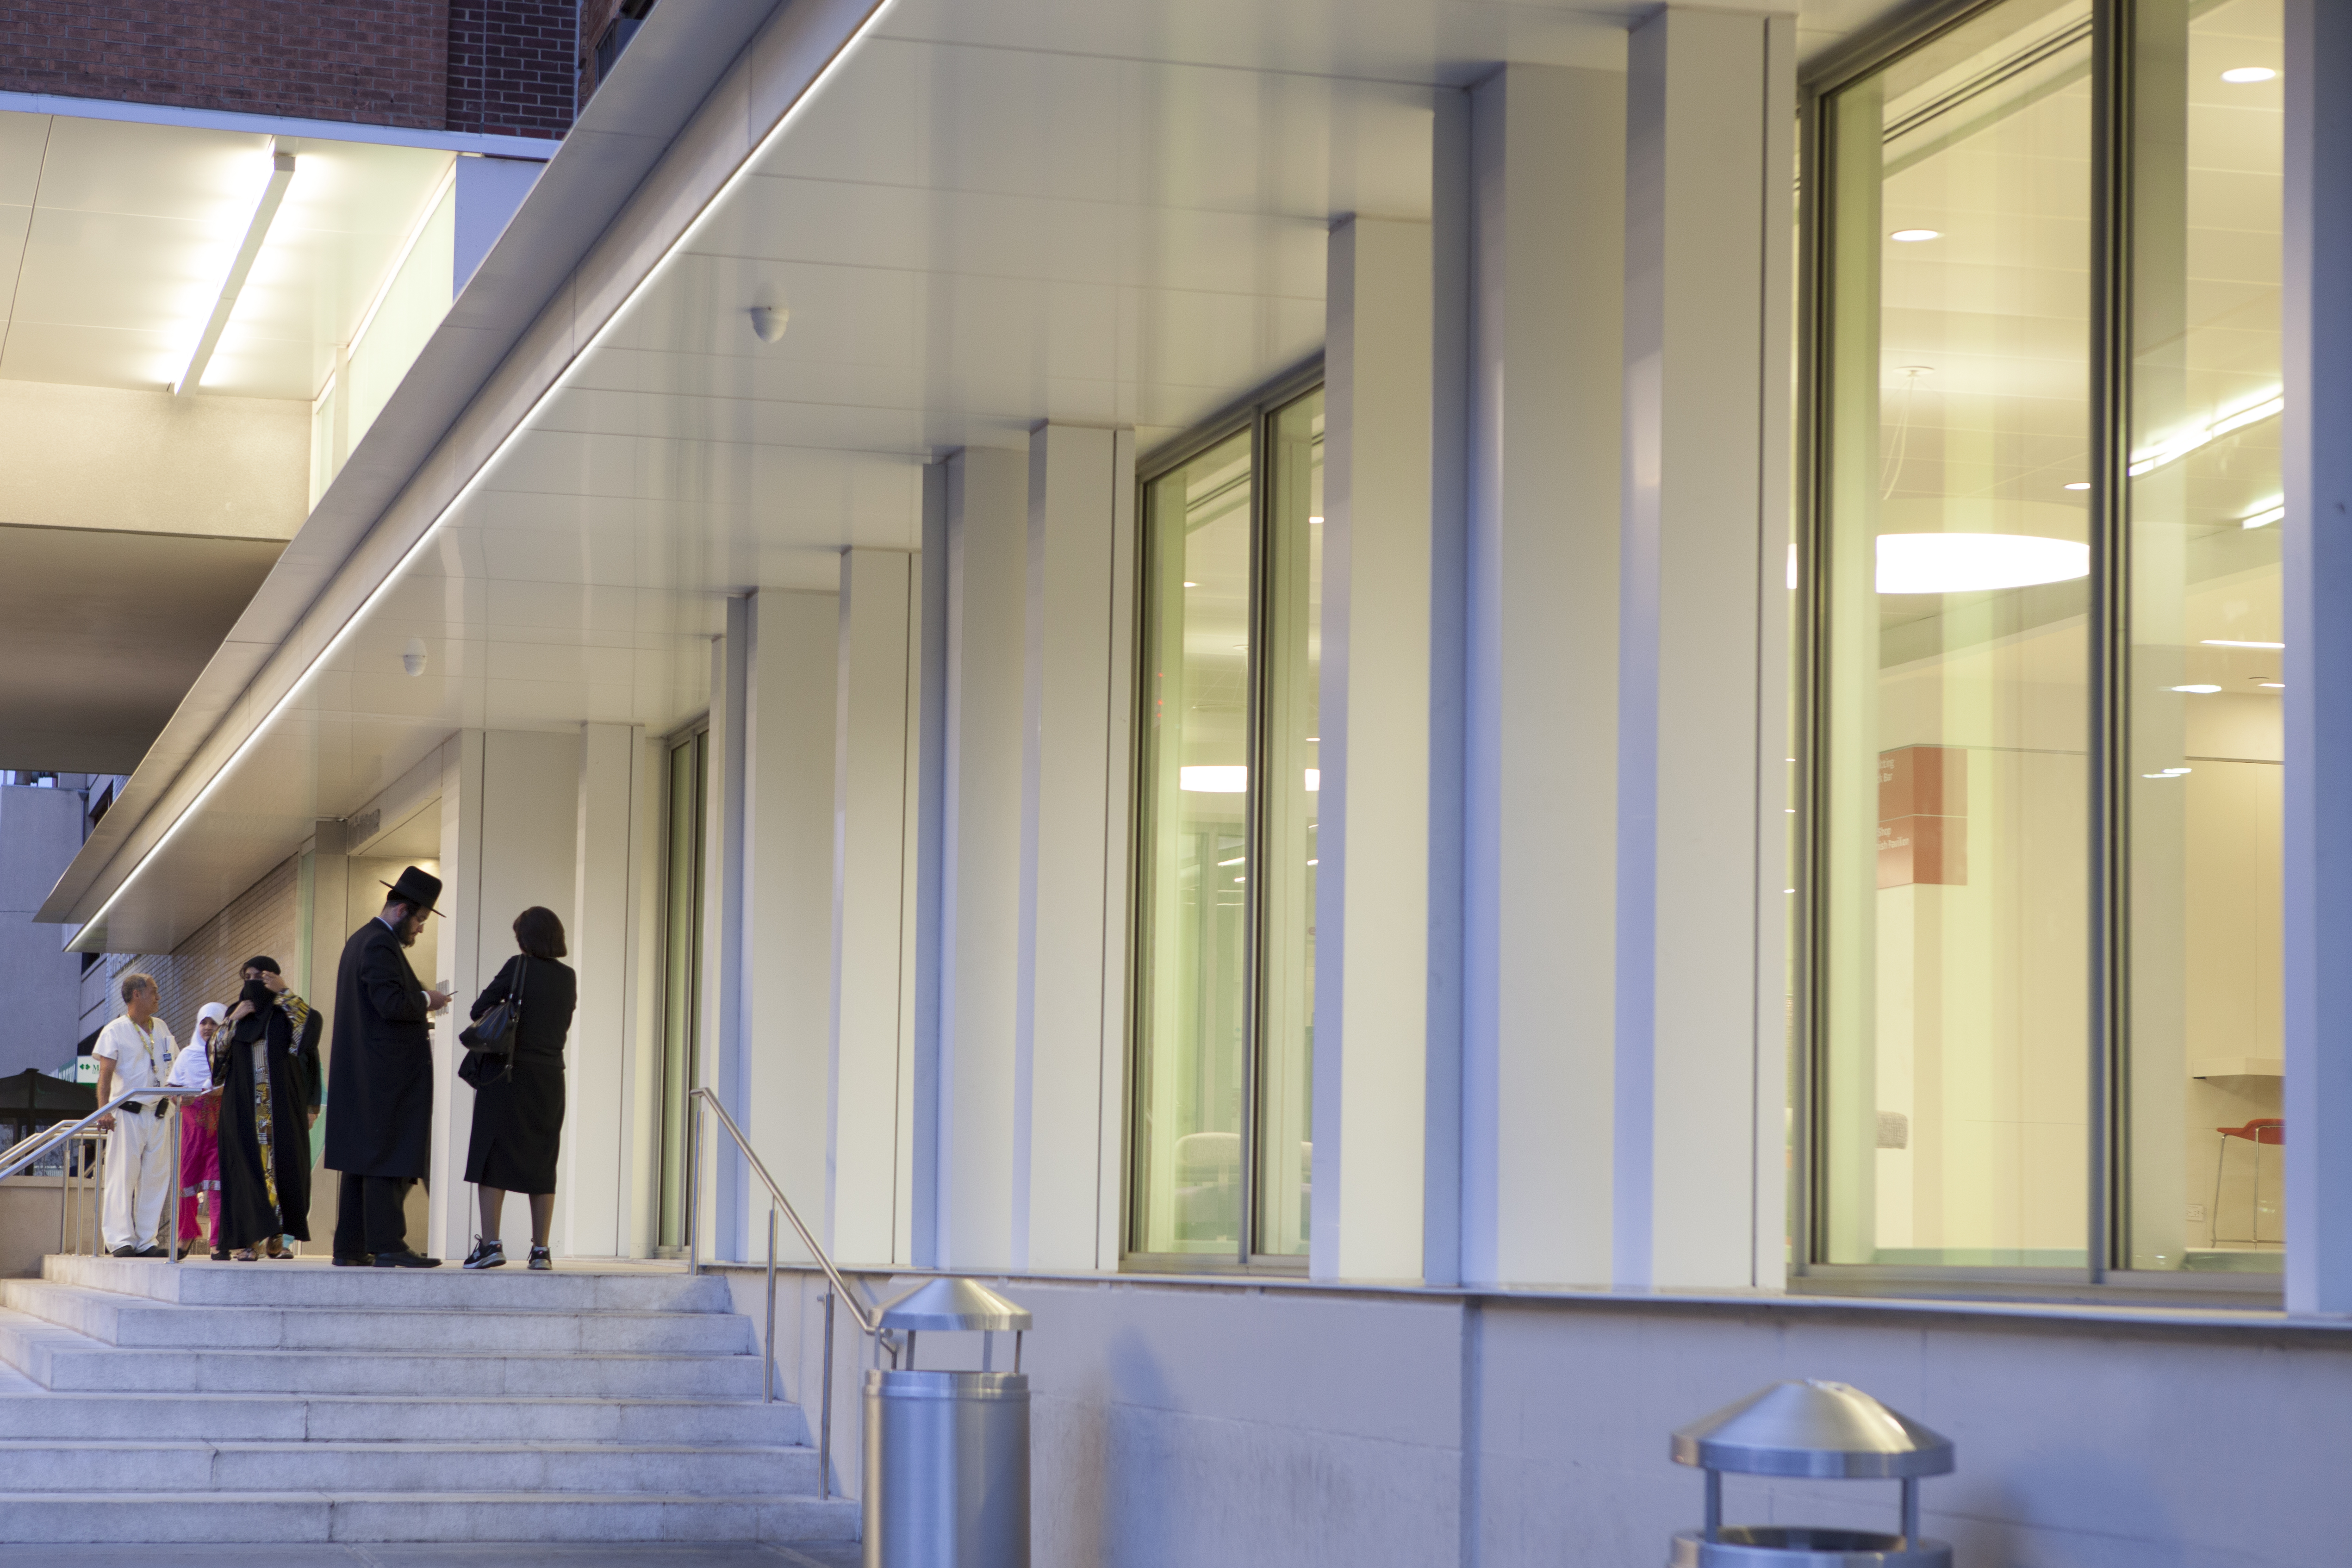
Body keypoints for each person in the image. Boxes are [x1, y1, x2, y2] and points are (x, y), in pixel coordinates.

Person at [322, 866, 451, 1268]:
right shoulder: (379, 945)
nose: (421, 930)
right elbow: (391, 1004)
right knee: (387, 1159)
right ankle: (388, 1244)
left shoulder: (361, 940)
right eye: (421, 920)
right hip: (384, 1077)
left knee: (364, 1161)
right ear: (401, 910)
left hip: (365, 1074)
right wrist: (428, 999)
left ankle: (351, 1246)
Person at [462, 907, 578, 1270]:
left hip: (508, 1075)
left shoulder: (518, 966)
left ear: (525, 940)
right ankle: (541, 1250)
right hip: (549, 1078)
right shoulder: (568, 977)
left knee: (491, 1154)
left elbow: (478, 1009)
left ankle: (491, 1245)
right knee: (543, 1160)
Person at [215, 958, 324, 1262]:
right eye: (247, 977)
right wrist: (234, 1020)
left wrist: (285, 992)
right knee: (246, 1173)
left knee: (282, 1172)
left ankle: (278, 1239)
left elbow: (310, 1032)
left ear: (273, 978)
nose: (252, 983)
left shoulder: (284, 1015)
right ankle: (249, 1242)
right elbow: (217, 1058)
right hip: (242, 1113)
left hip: (281, 1111)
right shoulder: (234, 1015)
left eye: (260, 978)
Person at [91, 972, 180, 1258]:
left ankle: (146, 1240)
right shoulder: (115, 1030)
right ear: (137, 995)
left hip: (160, 1112)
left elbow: (174, 1068)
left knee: (155, 1178)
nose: (159, 997)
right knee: (122, 1176)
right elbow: (104, 1076)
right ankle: (119, 1240)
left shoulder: (162, 1028)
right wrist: (104, 1111)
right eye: (154, 991)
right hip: (128, 1114)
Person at [168, 1003, 226, 1259]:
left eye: (214, 1023)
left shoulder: (229, 1053)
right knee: (186, 1181)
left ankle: (218, 1241)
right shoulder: (188, 1055)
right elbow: (172, 1090)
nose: (207, 1028)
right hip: (191, 1126)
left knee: (218, 1183)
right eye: (204, 1023)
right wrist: (182, 1098)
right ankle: (187, 1234)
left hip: (220, 1124)